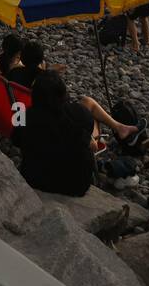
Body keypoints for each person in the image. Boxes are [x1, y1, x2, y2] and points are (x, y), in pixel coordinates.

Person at [11, 72, 140, 197]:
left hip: (34, 178)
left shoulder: (24, 116)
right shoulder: (77, 114)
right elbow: (90, 143)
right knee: (88, 109)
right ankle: (119, 128)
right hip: (74, 185)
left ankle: (119, 128)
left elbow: (16, 139)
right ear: (63, 94)